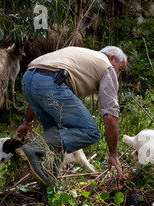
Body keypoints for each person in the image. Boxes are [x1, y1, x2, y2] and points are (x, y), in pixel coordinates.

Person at [15, 45, 126, 195]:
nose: (117, 74)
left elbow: (40, 79)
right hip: (52, 83)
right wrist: (113, 154)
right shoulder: (106, 66)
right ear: (112, 58)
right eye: (120, 68)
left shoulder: (83, 57)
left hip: (28, 78)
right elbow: (110, 116)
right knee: (91, 132)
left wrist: (27, 122)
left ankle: (47, 194)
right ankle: (34, 149)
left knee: (56, 143)